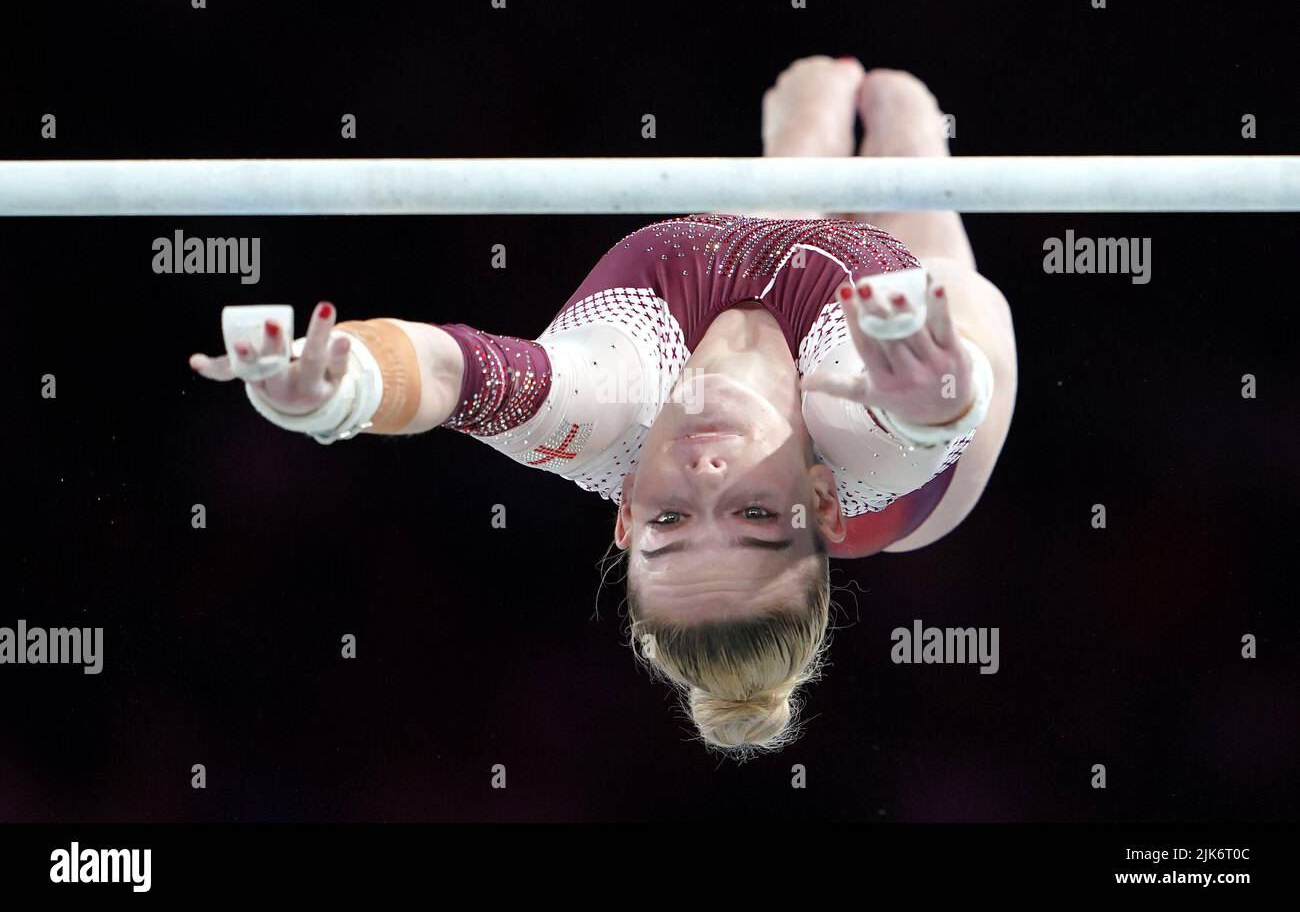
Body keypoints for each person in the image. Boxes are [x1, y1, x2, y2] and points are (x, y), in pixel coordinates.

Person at [189, 58, 1018, 758]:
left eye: (669, 523)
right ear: (821, 504)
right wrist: (935, 396)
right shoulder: (858, 440)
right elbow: (927, 420)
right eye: (757, 512)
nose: (705, 474)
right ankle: (908, 142)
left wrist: (341, 389)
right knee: (933, 254)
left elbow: (447, 376)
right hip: (922, 489)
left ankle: (800, 149)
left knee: (782, 206)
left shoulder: (606, 403)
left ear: (623, 515)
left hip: (753, 271)